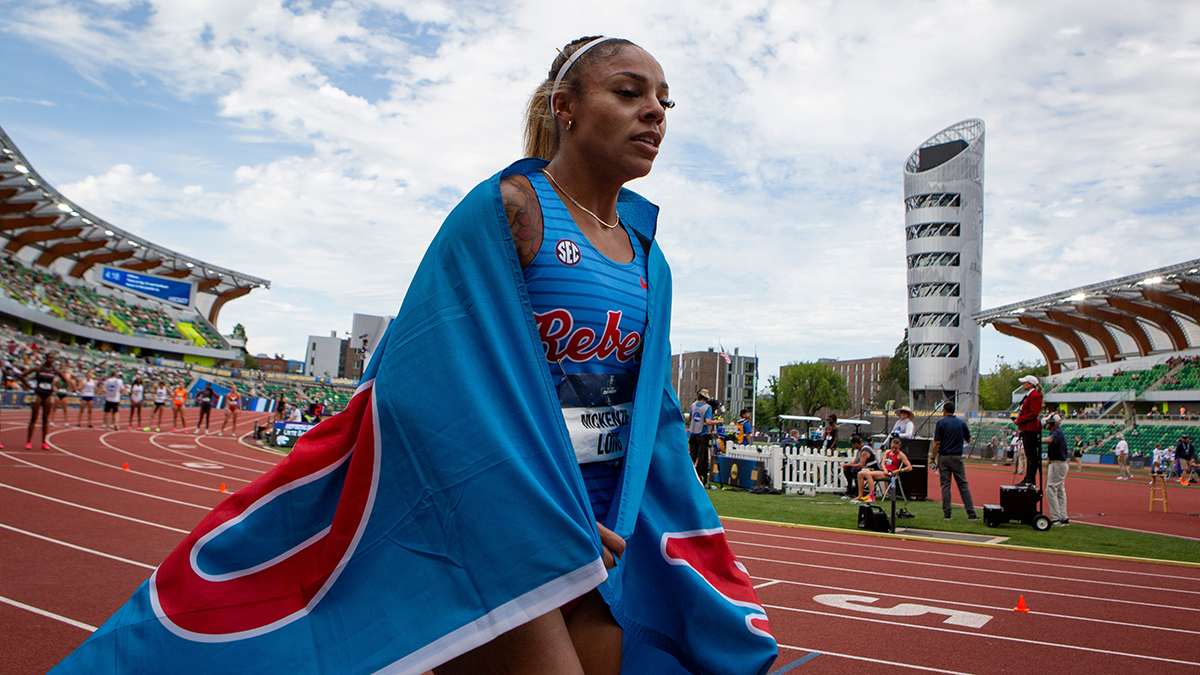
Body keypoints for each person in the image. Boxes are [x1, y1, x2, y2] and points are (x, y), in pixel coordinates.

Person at [930, 401, 979, 521]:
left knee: (945, 485)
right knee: (963, 485)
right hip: (957, 457)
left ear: (945, 410)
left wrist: (932, 457)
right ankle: (971, 513)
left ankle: (947, 513)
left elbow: (937, 442)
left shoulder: (941, 423)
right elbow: (968, 440)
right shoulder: (961, 423)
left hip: (944, 457)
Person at [21, 354, 65, 450]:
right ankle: (28, 441)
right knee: (34, 417)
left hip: (48, 394)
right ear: (46, 358)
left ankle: (44, 442)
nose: (51, 359)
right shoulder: (38, 368)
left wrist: (56, 388)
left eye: (52, 358)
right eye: (49, 357)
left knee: (45, 419)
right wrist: (29, 387)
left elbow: (66, 381)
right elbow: (22, 375)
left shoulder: (55, 370)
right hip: (38, 393)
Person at [855, 436, 912, 502]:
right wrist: (885, 469)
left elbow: (909, 467)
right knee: (860, 474)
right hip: (884, 471)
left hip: (891, 473)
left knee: (868, 474)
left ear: (899, 447)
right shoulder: (887, 452)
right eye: (892, 447)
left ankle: (872, 497)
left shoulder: (900, 454)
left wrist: (899, 470)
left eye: (896, 448)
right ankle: (860, 495)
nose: (894, 450)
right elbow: (883, 463)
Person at [1014, 375, 1043, 486]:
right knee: (1029, 455)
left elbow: (1033, 413)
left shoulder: (1034, 396)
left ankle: (1030, 479)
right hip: (1027, 427)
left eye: (1025, 383)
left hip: (1030, 428)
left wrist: (1020, 420)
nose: (1023, 385)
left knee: (1031, 456)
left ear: (1030, 384)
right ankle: (1028, 478)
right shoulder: (1030, 395)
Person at [1043, 415, 1070, 526]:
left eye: (1048, 422)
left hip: (1057, 463)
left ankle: (1056, 518)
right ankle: (1063, 516)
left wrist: (1037, 440)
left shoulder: (1057, 432)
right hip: (1060, 463)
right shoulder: (1058, 432)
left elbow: (1050, 439)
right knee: (1059, 491)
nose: (1047, 424)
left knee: (1051, 489)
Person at [687, 389, 714, 484]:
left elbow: (690, 418)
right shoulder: (707, 407)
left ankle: (689, 475)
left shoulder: (693, 405)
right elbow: (708, 421)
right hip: (702, 434)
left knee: (692, 456)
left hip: (693, 433)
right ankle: (699, 477)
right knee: (701, 457)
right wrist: (719, 421)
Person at [840, 434, 876, 498]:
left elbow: (861, 465)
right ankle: (850, 488)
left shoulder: (865, 450)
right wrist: (847, 466)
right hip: (866, 468)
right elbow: (855, 462)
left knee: (856, 470)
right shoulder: (859, 451)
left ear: (856, 444)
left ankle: (858, 490)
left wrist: (849, 465)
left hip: (873, 469)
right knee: (848, 469)